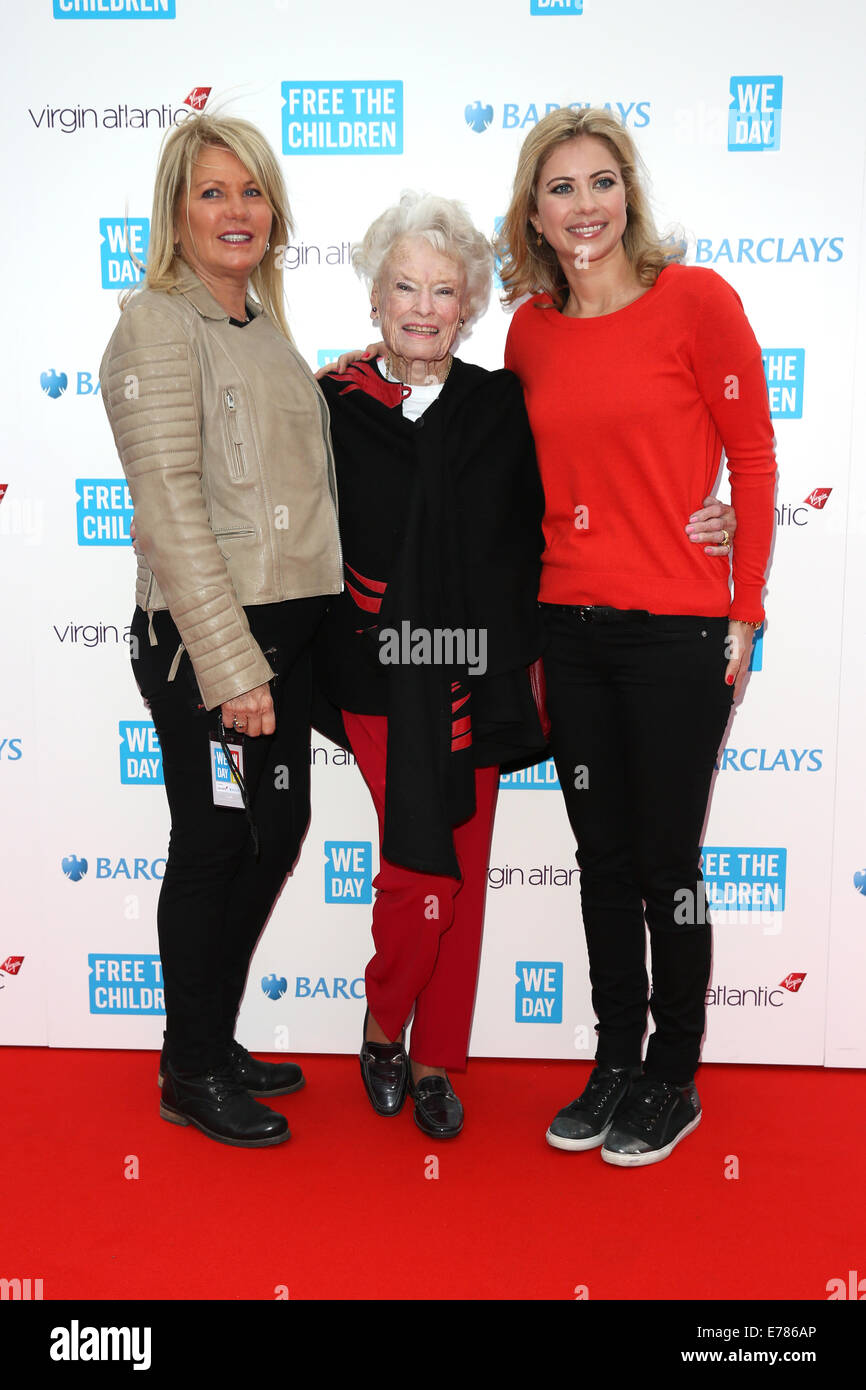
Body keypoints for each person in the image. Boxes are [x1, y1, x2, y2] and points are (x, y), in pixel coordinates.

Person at [498, 107, 776, 1165]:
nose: (585, 206)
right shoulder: (528, 328)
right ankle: (614, 1057)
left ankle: (674, 1074)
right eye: (560, 187)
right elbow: (500, 457)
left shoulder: (694, 300)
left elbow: (749, 460)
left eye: (601, 181)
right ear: (533, 210)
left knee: (669, 860)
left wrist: (742, 604)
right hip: (566, 633)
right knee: (599, 856)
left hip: (677, 636)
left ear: (629, 194)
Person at [100, 113, 342, 1148]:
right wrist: (227, 665)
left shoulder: (261, 326)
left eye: (250, 192)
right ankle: (189, 1068)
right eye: (211, 193)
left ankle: (210, 1032)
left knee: (273, 830)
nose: (235, 211)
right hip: (209, 643)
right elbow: (167, 507)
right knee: (211, 842)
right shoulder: (157, 325)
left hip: (283, 643)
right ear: (176, 212)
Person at [314, 193, 548, 1138]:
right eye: (403, 286)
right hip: (376, 677)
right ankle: (382, 1022)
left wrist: (713, 514)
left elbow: (565, 511)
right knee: (425, 877)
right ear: (374, 299)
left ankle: (435, 1058)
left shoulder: (499, 407)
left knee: (467, 867)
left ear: (469, 305)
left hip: (477, 675)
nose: (421, 306)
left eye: (442, 290)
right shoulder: (331, 404)